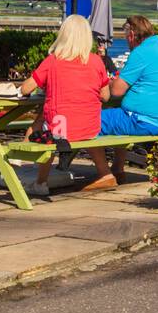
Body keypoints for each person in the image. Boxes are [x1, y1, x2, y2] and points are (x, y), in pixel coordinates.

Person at [19, 15, 114, 197]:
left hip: (60, 128)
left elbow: (25, 88)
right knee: (85, 134)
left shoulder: (53, 60)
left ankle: (40, 182)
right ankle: (105, 172)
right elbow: (106, 96)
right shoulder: (96, 62)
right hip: (90, 126)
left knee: (50, 133)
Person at [100, 16, 158, 178]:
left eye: (126, 37)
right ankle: (117, 168)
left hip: (144, 120)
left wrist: (106, 83)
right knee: (119, 116)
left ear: (132, 35)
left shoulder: (141, 52)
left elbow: (116, 91)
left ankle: (103, 174)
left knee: (89, 120)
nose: (127, 41)